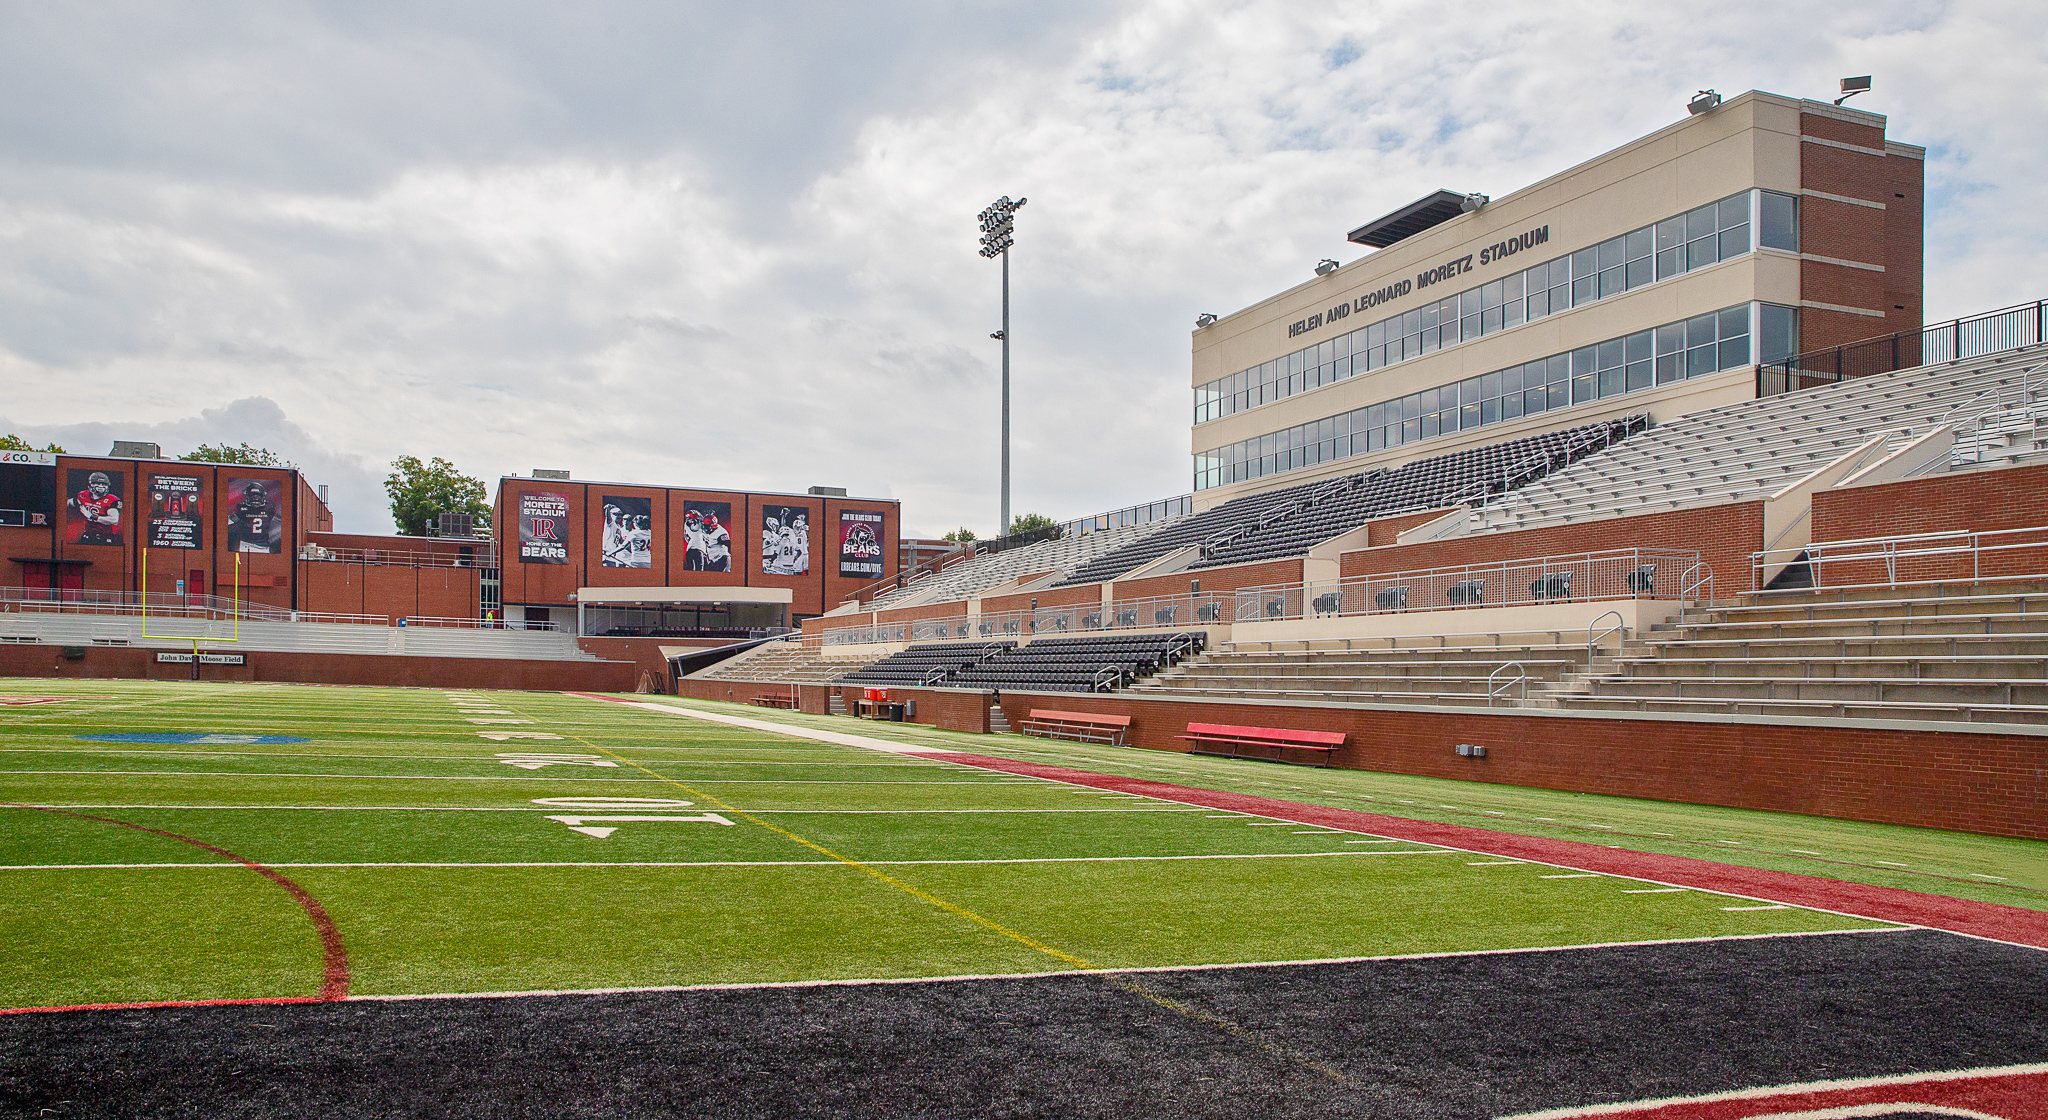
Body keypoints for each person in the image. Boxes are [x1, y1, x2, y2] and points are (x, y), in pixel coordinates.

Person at [68, 472, 121, 546]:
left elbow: (114, 520)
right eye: (98, 484)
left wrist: (92, 516)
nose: (101, 487)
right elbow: (69, 502)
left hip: (107, 538)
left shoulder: (111, 500)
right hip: (88, 536)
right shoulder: (83, 495)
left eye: (104, 484)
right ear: (90, 485)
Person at [225, 481, 278, 553]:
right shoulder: (269, 508)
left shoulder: (241, 508)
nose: (255, 498)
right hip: (260, 547)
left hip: (247, 546)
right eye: (253, 495)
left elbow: (229, 522)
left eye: (257, 495)